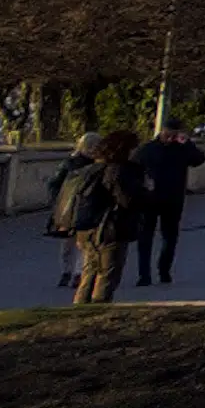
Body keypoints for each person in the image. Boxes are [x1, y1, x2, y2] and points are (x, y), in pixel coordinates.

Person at [47, 131, 130, 307]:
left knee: (84, 248)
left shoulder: (97, 165)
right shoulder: (72, 164)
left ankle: (77, 274)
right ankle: (68, 272)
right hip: (73, 210)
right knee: (72, 246)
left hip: (85, 215)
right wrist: (58, 204)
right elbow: (56, 185)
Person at [124, 120, 202, 287]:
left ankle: (164, 270)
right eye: (168, 134)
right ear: (162, 131)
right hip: (149, 200)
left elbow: (198, 159)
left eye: (174, 135)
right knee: (145, 237)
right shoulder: (148, 149)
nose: (170, 138)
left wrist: (187, 144)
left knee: (170, 237)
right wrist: (141, 186)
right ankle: (144, 274)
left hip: (173, 199)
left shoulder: (181, 149)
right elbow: (132, 169)